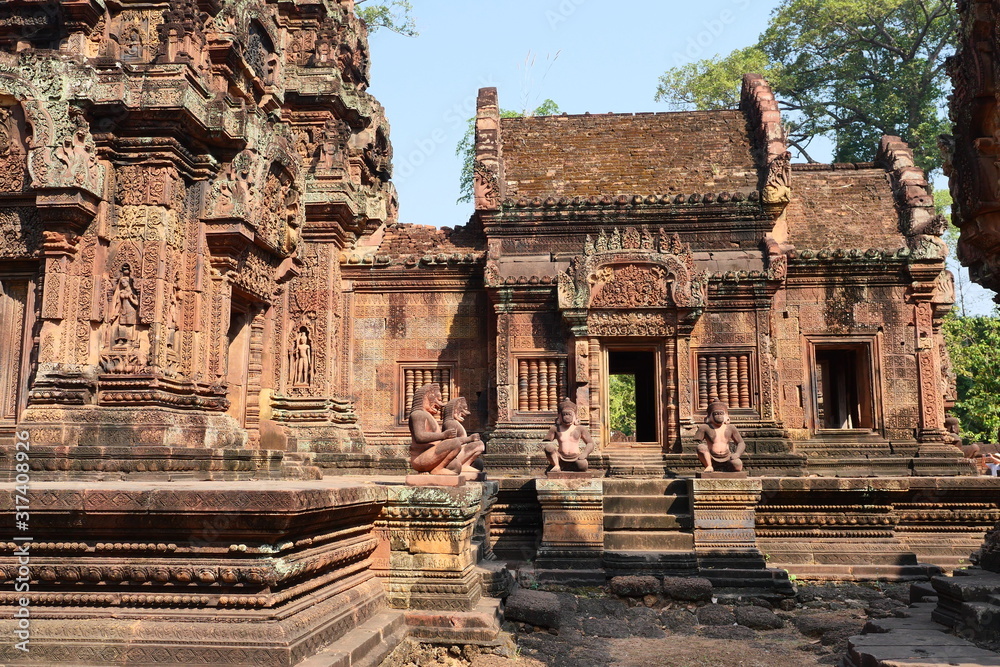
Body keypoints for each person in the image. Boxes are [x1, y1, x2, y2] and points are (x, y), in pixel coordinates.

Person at [409, 383, 482, 475]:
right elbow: (419, 436)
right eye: (438, 400)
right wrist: (443, 435)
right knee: (455, 443)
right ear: (427, 396)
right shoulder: (417, 414)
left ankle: (440, 468)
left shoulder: (429, 416)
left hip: (433, 455)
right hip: (420, 458)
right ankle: (437, 469)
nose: (440, 404)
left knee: (456, 467)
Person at [543, 399, 595, 472]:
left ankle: (567, 466)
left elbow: (590, 443)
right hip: (559, 458)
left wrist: (584, 454)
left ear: (575, 415)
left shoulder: (580, 429)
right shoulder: (555, 428)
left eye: (569, 414)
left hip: (576, 458)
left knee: (582, 465)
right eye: (564, 414)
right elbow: (546, 443)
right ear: (560, 416)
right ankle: (556, 465)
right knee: (549, 447)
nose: (567, 417)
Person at [695, 401, 746, 473]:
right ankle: (709, 466)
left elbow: (741, 442)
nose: (719, 416)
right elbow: (696, 443)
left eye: (721, 413)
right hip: (711, 457)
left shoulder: (730, 427)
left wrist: (737, 454)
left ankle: (728, 468)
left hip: (728, 457)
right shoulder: (705, 427)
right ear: (710, 416)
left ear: (726, 415)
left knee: (737, 465)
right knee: (701, 447)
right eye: (716, 414)